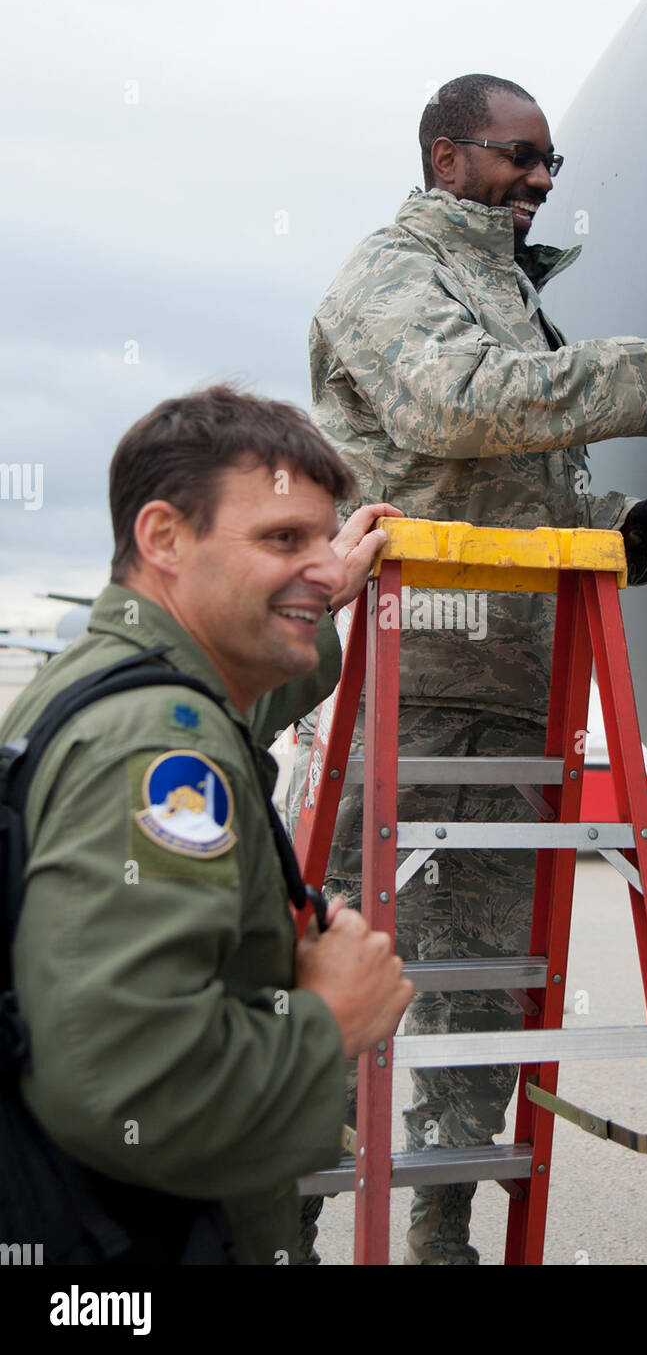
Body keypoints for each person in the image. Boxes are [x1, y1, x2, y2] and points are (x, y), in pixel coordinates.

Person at [289, 74, 647, 1264]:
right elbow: (457, 409)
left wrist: (622, 528)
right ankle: (276, 1222)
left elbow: (518, 488)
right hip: (413, 679)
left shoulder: (509, 290)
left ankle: (443, 1223)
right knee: (338, 972)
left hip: (513, 683)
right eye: (520, 157)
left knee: (485, 985)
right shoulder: (391, 275)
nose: (542, 181)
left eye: (550, 161)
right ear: (446, 158)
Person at [0, 384, 413, 1265]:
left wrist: (303, 597)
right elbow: (128, 1086)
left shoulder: (115, 685)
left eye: (323, 539)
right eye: (280, 538)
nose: (328, 568)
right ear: (164, 538)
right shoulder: (155, 743)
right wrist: (329, 1023)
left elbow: (229, 713)